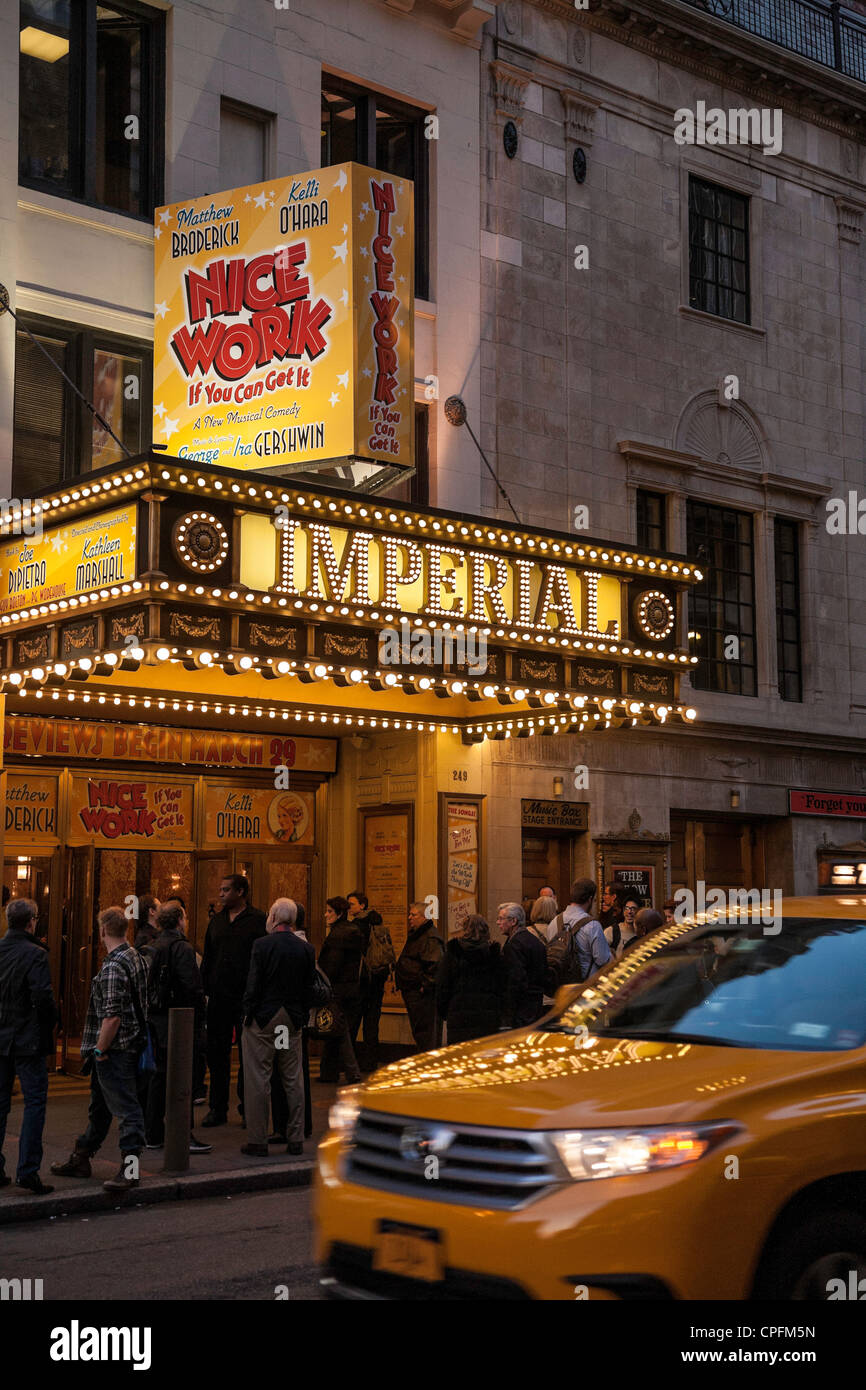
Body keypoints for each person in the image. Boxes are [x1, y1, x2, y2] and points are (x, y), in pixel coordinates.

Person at [51, 907, 149, 1192]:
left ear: (104, 930)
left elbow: (112, 1016)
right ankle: (81, 1156)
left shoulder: (113, 966)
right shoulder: (136, 958)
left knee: (126, 1109)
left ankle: (130, 1170)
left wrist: (99, 1050)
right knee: (101, 1107)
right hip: (128, 1045)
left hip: (114, 1050)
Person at [240, 897, 315, 1157]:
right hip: (291, 1018)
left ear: (272, 917)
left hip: (264, 1018)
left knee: (258, 1078)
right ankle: (295, 1137)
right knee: (293, 1078)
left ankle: (258, 1139)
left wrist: (247, 1013)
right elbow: (308, 987)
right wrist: (301, 1015)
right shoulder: (306, 948)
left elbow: (254, 984)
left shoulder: (262, 945)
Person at [0, 898, 58, 1195]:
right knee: (34, 1103)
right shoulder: (35, 955)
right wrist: (51, 1024)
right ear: (32, 921)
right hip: (28, 1040)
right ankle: (28, 1170)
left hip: (2, 1039)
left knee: (0, 1105)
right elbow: (43, 997)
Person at [143, 901, 212, 1155]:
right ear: (180, 920)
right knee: (182, 1077)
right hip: (178, 1020)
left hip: (156, 1018)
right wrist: (200, 1017)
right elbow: (192, 987)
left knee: (159, 1077)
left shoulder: (152, 945)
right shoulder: (181, 948)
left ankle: (152, 1132)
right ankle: (183, 1133)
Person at [200, 875, 266, 1128]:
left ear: (241, 892)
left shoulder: (258, 921)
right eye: (220, 890)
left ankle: (248, 1108)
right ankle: (217, 1108)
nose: (221, 894)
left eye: (226, 890)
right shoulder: (216, 922)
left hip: (247, 998)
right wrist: (205, 991)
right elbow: (209, 957)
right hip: (218, 997)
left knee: (249, 1055)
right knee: (217, 1055)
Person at [269, 904, 314, 1144]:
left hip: (280, 1020)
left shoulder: (274, 945)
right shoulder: (306, 947)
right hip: (297, 1018)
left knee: (281, 1072)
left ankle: (284, 1127)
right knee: (296, 1074)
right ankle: (300, 1127)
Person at [435, 915, 504, 1044]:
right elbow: (502, 986)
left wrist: (444, 1011)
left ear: (464, 930)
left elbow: (442, 985)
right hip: (487, 1016)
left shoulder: (453, 953)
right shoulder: (493, 955)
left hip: (459, 1015)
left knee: (460, 1057)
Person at [317, 896, 364, 1084]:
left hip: (337, 989)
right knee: (337, 1030)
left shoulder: (337, 935)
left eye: (329, 911)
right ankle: (331, 1072)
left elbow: (331, 966)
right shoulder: (353, 931)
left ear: (339, 913)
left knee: (338, 1030)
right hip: (351, 988)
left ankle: (349, 1073)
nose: (326, 915)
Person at [347, 889, 394, 1072]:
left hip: (362, 980)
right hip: (377, 978)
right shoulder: (377, 922)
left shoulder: (357, 926)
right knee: (372, 1023)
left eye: (352, 904)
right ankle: (370, 1062)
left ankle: (349, 1062)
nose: (349, 907)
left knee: (353, 1022)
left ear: (362, 905)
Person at [395, 901, 444, 1053]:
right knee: (420, 1032)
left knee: (426, 1033)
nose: (409, 918)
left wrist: (425, 986)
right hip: (413, 991)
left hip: (422, 994)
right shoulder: (418, 935)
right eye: (410, 914)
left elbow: (435, 965)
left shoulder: (429, 938)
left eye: (413, 915)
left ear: (424, 917)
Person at [545, 879, 612, 992]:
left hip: (561, 990)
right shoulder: (592, 925)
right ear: (590, 899)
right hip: (587, 988)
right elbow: (602, 960)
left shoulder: (554, 922)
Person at [497, 902, 547, 1028]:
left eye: (501, 919)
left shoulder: (514, 945)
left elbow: (516, 981)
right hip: (536, 1004)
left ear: (513, 921)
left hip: (521, 1010)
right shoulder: (534, 941)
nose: (498, 922)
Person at [598, 883, 623, 954]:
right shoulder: (607, 912)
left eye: (606, 894)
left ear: (614, 897)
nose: (603, 897)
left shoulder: (617, 914)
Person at [133, 894, 160, 959]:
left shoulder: (151, 934)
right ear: (152, 911)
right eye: (160, 907)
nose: (163, 911)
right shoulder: (145, 939)